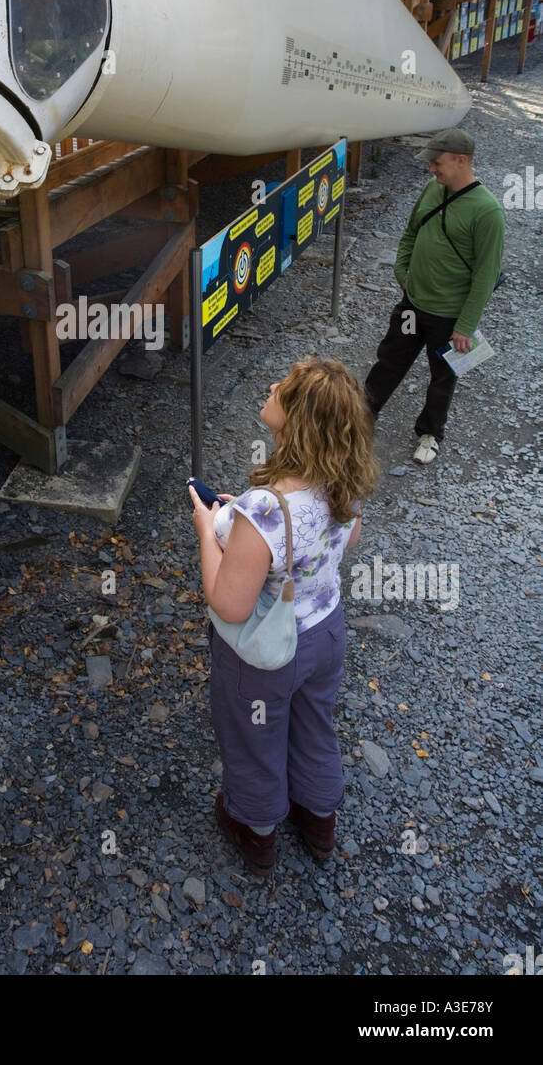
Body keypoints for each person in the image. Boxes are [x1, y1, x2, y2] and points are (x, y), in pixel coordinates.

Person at [189, 357, 378, 878]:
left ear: (296, 421)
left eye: (284, 389)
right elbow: (348, 538)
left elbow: (229, 604)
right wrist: (245, 529)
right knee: (314, 722)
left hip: (270, 654)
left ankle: (256, 830)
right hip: (327, 632)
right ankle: (318, 820)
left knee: (254, 736)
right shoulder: (347, 474)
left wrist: (209, 529)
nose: (271, 387)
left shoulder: (264, 509)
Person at [364, 127, 504, 465]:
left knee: (443, 376)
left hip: (450, 316)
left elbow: (486, 275)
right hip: (413, 305)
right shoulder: (432, 188)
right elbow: (411, 232)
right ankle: (361, 417)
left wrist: (466, 325)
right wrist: (402, 273)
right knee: (390, 360)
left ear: (461, 160)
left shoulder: (488, 212)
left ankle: (430, 432)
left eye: (437, 163)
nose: (431, 169)